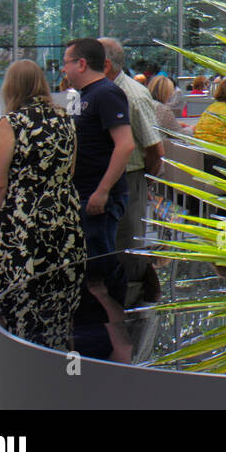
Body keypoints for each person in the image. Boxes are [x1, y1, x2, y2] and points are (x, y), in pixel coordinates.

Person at [0, 59, 84, 350]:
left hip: (24, 218)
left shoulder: (11, 122)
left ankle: (24, 356)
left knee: (22, 294)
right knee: (59, 291)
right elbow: (71, 169)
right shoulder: (65, 118)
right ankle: (56, 353)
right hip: (64, 214)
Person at [62, 38, 135, 305]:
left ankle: (114, 326)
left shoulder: (106, 93)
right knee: (89, 264)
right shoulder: (83, 96)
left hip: (98, 197)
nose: (63, 69)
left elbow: (125, 145)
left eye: (66, 63)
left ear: (81, 64)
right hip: (83, 192)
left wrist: (102, 191)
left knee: (100, 265)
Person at [98, 37, 163, 295]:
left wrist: (141, 179)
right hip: (109, 180)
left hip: (129, 178)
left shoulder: (133, 96)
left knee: (128, 242)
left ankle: (131, 301)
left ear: (105, 65)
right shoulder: (97, 93)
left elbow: (154, 149)